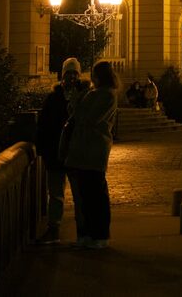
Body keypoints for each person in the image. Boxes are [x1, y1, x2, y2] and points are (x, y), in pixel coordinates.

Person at [64, 60, 119, 249]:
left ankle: (101, 235)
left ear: (100, 75)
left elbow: (88, 118)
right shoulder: (93, 93)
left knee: (97, 194)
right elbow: (73, 113)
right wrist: (77, 98)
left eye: (94, 73)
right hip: (83, 149)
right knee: (86, 194)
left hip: (95, 150)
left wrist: (80, 104)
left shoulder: (107, 96)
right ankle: (88, 234)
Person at [35, 57, 89, 244]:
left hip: (76, 154)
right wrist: (43, 149)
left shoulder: (85, 97)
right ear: (63, 75)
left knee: (79, 195)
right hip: (56, 155)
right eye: (69, 73)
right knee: (56, 194)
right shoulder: (53, 98)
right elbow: (43, 126)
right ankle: (54, 229)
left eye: (75, 73)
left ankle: (83, 232)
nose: (72, 77)